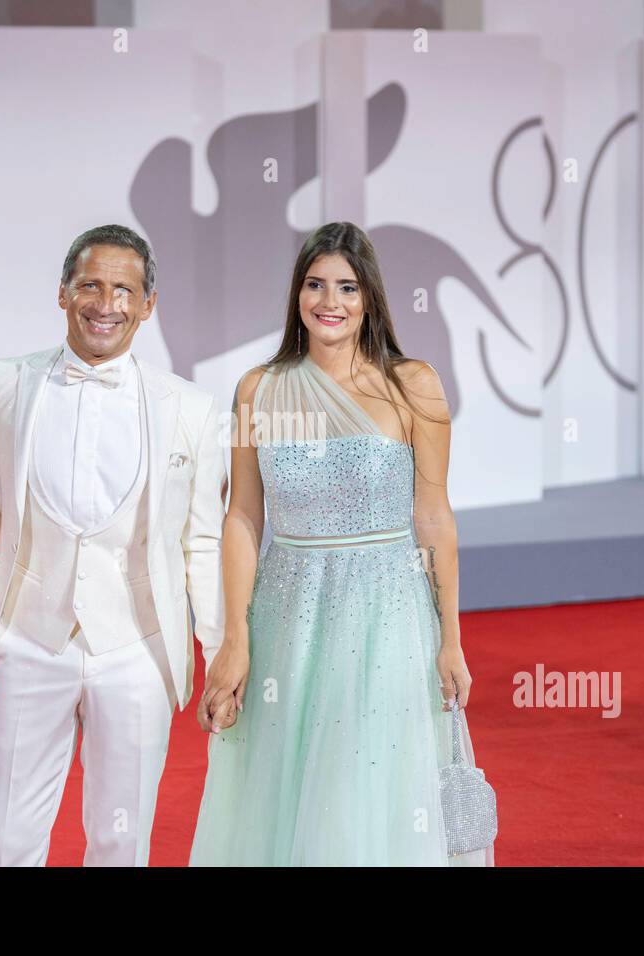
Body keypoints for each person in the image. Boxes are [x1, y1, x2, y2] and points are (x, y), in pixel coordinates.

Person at [189, 221, 489, 866]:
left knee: (371, 783)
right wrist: (235, 639)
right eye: (315, 285)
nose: (331, 301)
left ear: (370, 298)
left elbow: (434, 516)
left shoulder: (414, 386)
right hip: (288, 617)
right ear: (297, 295)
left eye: (348, 288)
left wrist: (451, 639)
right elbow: (243, 516)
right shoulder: (259, 388)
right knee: (289, 791)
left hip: (388, 618)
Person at [0, 224, 225, 866]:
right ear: (62, 293)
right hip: (30, 639)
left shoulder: (191, 407)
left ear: (148, 304)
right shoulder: (5, 383)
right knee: (9, 838)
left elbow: (204, 543)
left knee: (118, 841)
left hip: (137, 648)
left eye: (124, 290)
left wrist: (219, 652)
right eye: (91, 286)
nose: (106, 304)